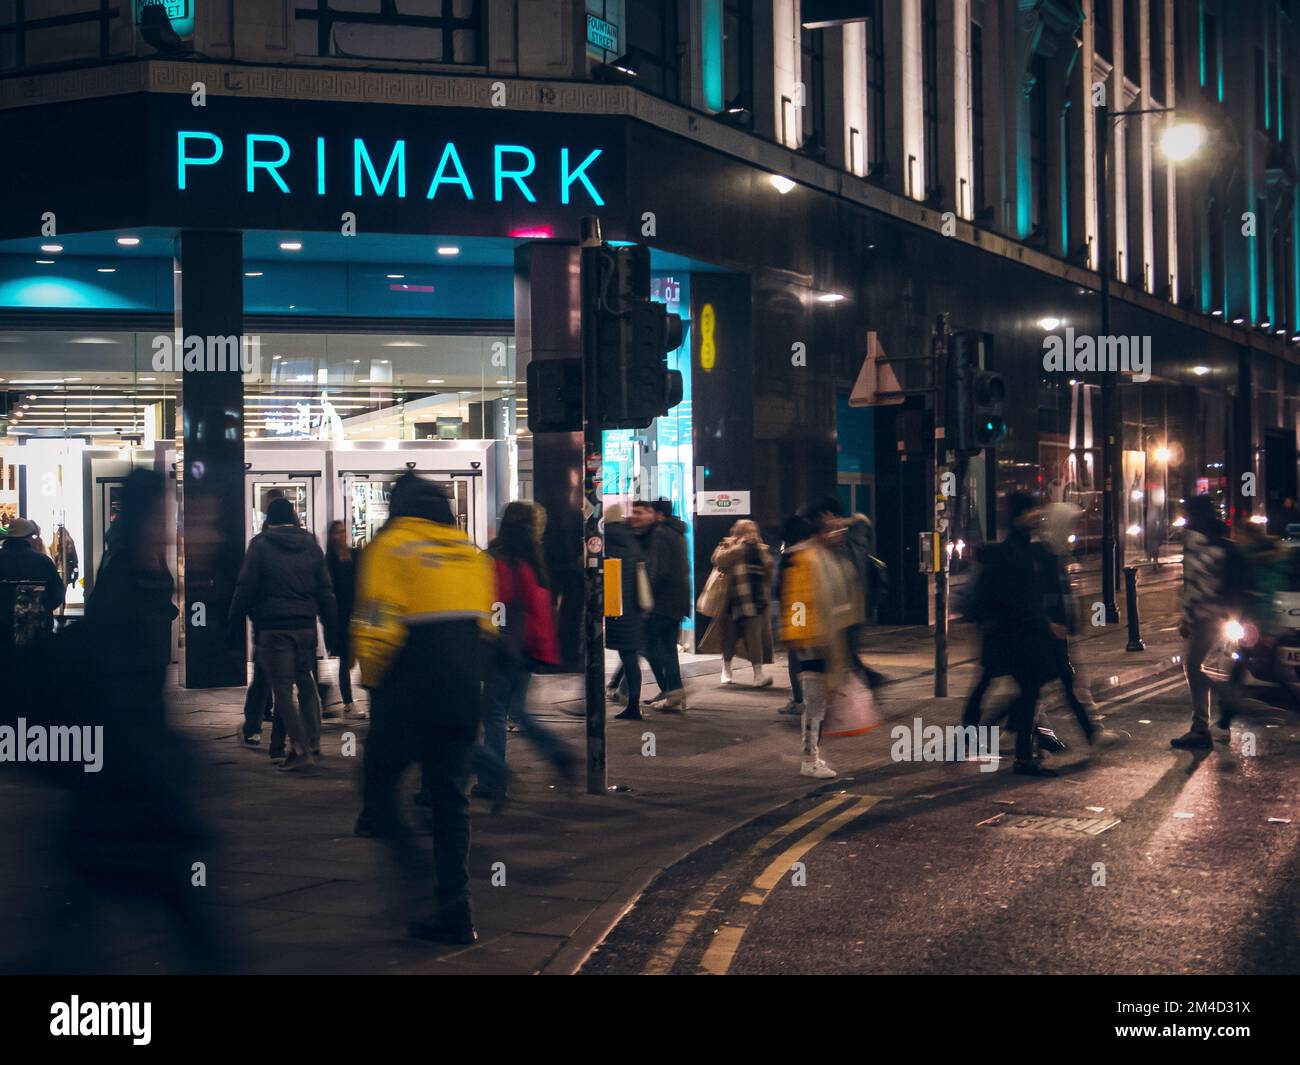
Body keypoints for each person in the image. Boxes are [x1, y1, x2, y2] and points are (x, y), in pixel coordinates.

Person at [43, 470, 229, 972]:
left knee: (78, 921)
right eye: (178, 514)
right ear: (151, 518)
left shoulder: (142, 577)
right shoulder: (126, 589)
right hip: (129, 790)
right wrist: (163, 769)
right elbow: (118, 696)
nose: (194, 528)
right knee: (188, 916)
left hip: (124, 790)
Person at [352, 472, 494, 944]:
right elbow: (489, 630)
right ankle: (457, 910)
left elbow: (376, 625)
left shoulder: (390, 548)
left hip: (407, 694)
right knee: (452, 803)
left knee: (377, 787)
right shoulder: (470, 554)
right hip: (460, 699)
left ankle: (411, 872)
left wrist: (371, 680)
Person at [472, 500, 575, 803]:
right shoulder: (534, 559)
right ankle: (556, 751)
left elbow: (496, 605)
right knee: (516, 710)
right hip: (527, 647)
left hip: (504, 648)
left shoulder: (500, 559)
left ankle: (492, 780)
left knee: (493, 713)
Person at [229, 496, 336, 770]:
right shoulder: (311, 545)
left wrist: (234, 620)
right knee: (306, 682)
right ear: (294, 517)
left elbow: (245, 586)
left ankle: (299, 748)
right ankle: (312, 740)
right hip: (305, 626)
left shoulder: (261, 545)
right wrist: (331, 622)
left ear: (268, 519)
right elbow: (325, 588)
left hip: (274, 627)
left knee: (282, 688)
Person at [967, 492, 1058, 775]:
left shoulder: (1028, 548)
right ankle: (1019, 754)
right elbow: (1011, 597)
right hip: (1018, 635)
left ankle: (1011, 745)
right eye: (1032, 510)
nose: (1038, 514)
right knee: (1027, 690)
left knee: (1028, 691)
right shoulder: (1012, 551)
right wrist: (1040, 622)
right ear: (1020, 516)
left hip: (1023, 633)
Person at [779, 511, 862, 778]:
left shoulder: (828, 556)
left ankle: (813, 755)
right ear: (819, 533)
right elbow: (799, 602)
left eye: (840, 528)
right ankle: (809, 758)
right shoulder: (806, 559)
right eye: (832, 528)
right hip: (814, 641)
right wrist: (801, 636)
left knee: (821, 703)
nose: (838, 533)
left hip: (828, 638)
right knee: (815, 703)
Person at [800, 497, 887, 690]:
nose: (834, 528)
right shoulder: (813, 552)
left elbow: (862, 522)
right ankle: (865, 684)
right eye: (827, 525)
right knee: (838, 665)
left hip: (846, 617)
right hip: (829, 622)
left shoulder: (847, 543)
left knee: (841, 664)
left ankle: (862, 687)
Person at [1172, 495, 1237, 749]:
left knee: (1193, 667)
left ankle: (1207, 720)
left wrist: (1187, 618)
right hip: (1222, 615)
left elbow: (1194, 583)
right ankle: (1217, 727)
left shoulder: (1195, 541)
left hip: (1204, 617)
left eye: (1187, 513)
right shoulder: (1219, 540)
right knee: (1205, 665)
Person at [698, 519, 776, 687]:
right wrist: (739, 547)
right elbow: (718, 560)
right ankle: (726, 670)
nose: (751, 535)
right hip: (731, 601)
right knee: (729, 638)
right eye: (746, 531)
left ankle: (758, 674)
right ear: (737, 533)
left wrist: (759, 550)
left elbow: (770, 568)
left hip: (754, 601)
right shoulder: (727, 545)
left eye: (753, 531)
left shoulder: (761, 549)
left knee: (754, 637)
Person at [0, 515, 65, 717]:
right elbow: (57, 594)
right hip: (35, 633)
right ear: (29, 538)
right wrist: (40, 609)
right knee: (33, 679)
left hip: (2, 633)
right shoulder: (42, 562)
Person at [632, 499, 691, 711]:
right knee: (665, 648)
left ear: (657, 514)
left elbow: (658, 570)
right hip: (677, 599)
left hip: (662, 601)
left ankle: (673, 690)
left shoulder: (659, 533)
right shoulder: (678, 533)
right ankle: (671, 691)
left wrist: (646, 597)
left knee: (650, 647)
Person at [604, 503, 649, 721]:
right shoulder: (633, 540)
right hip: (635, 609)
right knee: (630, 657)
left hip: (617, 609)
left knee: (629, 657)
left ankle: (632, 704)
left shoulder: (607, 542)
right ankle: (630, 700)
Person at [324, 519, 364, 720]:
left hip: (356, 613)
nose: (342, 535)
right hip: (340, 616)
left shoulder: (356, 555)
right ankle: (348, 703)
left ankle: (349, 701)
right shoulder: (329, 560)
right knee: (344, 660)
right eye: (337, 532)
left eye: (343, 531)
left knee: (353, 658)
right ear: (331, 536)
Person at [775, 515, 814, 716]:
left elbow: (782, 591)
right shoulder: (815, 554)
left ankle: (800, 701)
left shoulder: (789, 558)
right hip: (814, 618)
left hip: (797, 616)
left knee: (796, 662)